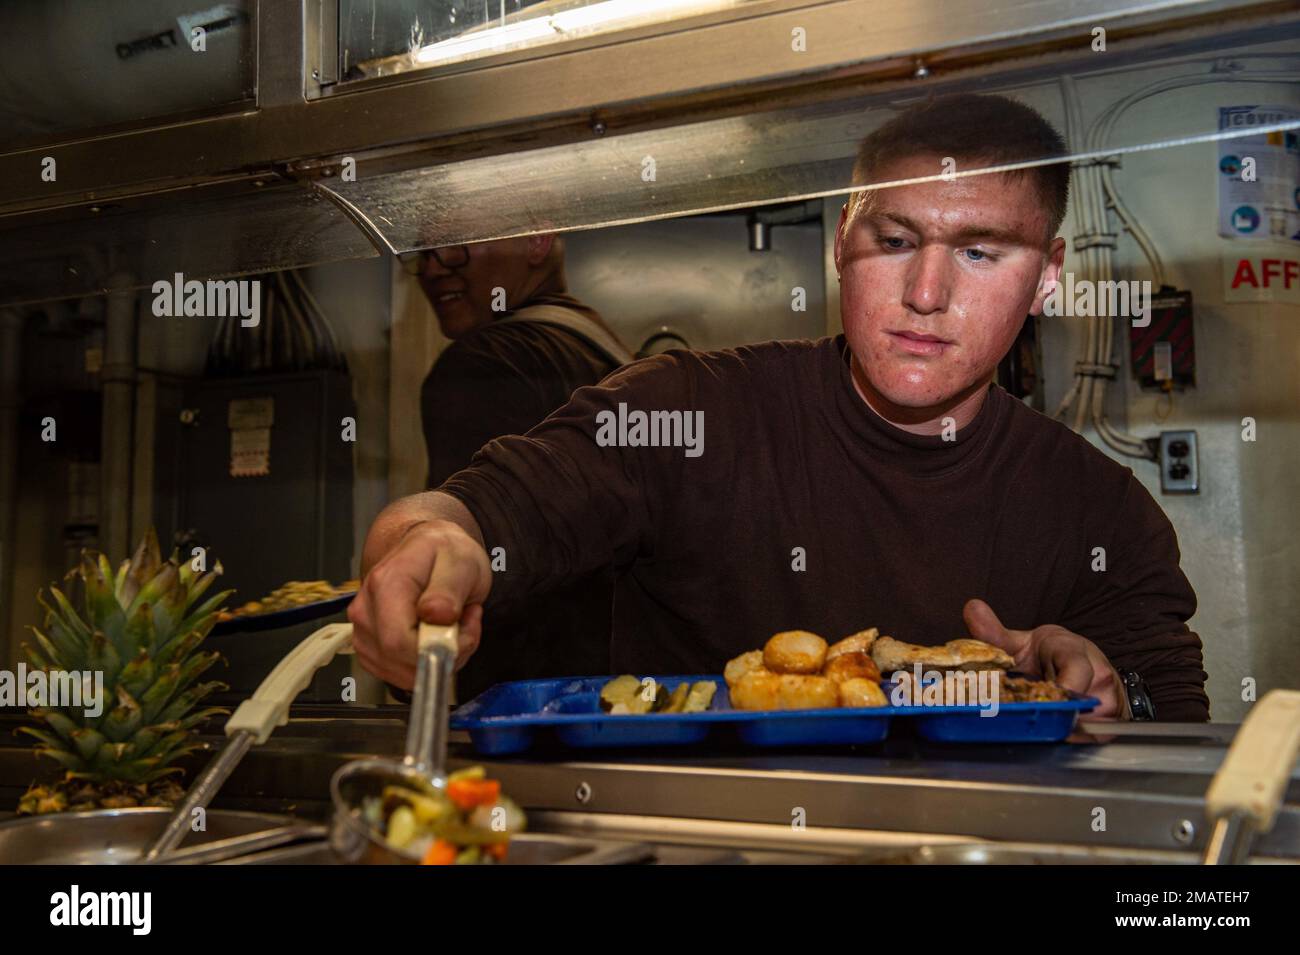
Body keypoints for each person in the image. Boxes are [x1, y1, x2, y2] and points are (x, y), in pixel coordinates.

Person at [353, 93, 1210, 722]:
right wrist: (427, 548)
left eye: (981, 252)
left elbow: (1174, 725)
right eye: (896, 240)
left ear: (1048, 276)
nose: (925, 292)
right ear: (843, 238)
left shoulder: (1103, 513)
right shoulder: (686, 411)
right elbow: (472, 510)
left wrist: (1105, 693)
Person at [403, 233, 633, 699]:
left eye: (454, 244)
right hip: (616, 698)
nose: (432, 268)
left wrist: (411, 662)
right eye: (421, 252)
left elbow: (468, 571)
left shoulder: (483, 363)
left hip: (525, 710)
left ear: (536, 240)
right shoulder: (607, 352)